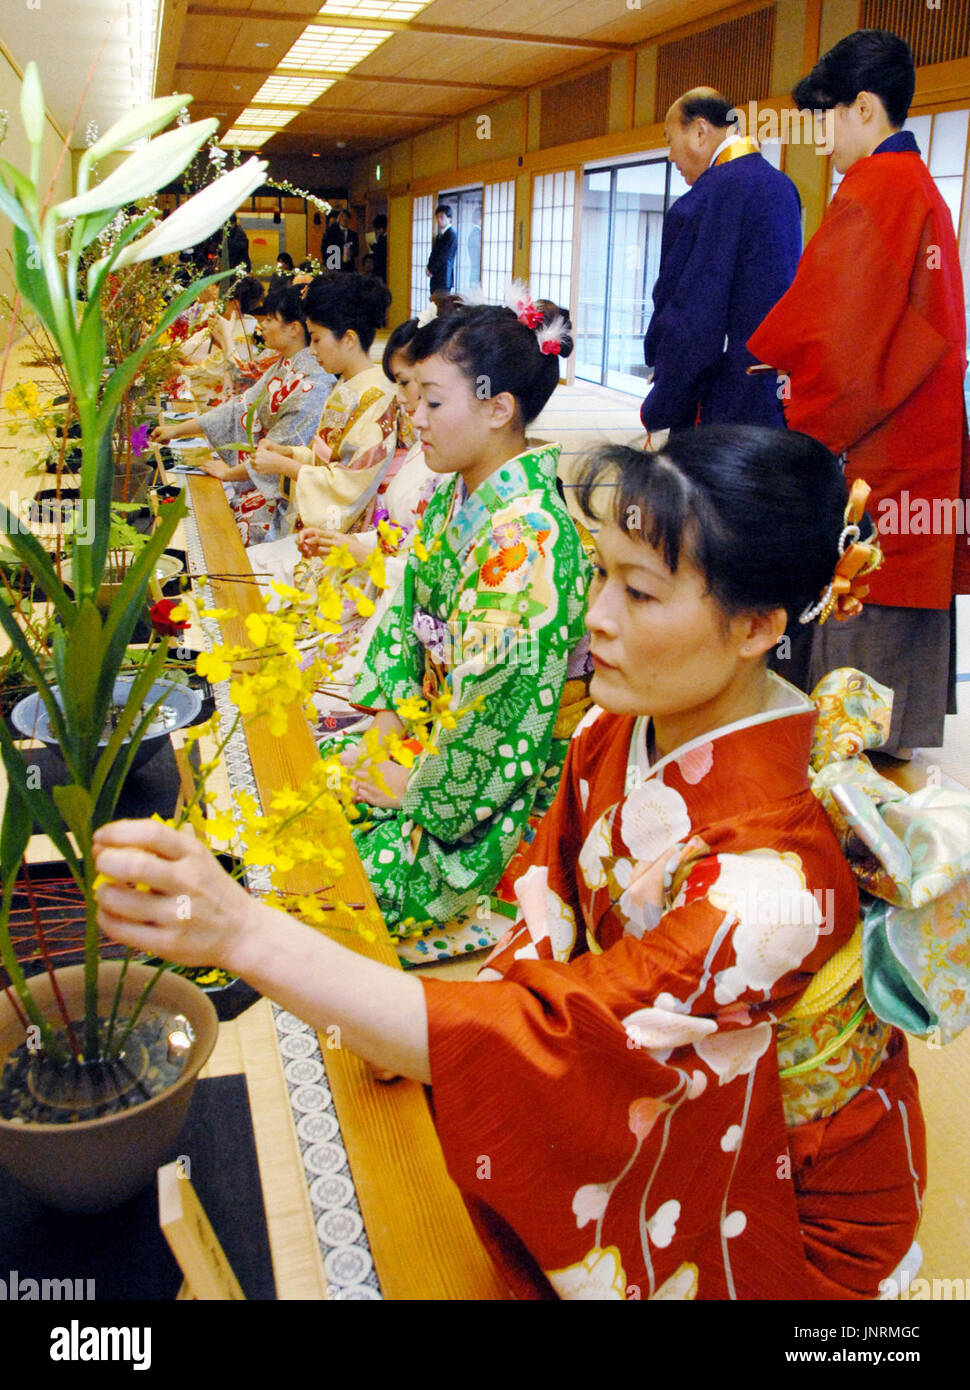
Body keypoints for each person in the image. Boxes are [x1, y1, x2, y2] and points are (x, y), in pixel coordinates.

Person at [94, 425, 926, 1300]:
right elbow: (551, 917)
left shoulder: (773, 880)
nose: (595, 616)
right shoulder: (619, 723)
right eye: (601, 573)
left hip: (778, 1201)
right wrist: (445, 1024)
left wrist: (242, 933)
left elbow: (564, 1039)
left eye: (639, 593)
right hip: (686, 1092)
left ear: (757, 626)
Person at [316, 295, 591, 963]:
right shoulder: (455, 495)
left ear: (499, 408)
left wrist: (410, 785)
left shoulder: (528, 545)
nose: (414, 419)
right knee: (298, 789)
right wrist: (383, 729)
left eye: (433, 403)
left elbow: (500, 713)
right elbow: (409, 624)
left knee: (328, 885)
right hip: (426, 735)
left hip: (497, 790)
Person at [748, 29, 970, 756]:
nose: (822, 138)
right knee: (883, 722)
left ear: (865, 108)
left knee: (849, 699)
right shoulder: (922, 191)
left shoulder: (876, 189)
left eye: (827, 116)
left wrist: (793, 384)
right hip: (919, 454)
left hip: (876, 464)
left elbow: (840, 342)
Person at [641, 89, 802, 441]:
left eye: (671, 140)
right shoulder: (783, 187)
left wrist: (662, 402)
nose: (670, 156)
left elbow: (692, 320)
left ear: (700, 132)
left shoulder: (705, 199)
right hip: (773, 394)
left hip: (717, 402)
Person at [151, 283, 333, 544]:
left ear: (294, 329)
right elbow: (240, 406)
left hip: (283, 499)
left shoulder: (312, 384)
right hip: (258, 473)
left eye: (270, 319)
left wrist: (229, 473)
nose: (263, 325)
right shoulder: (284, 364)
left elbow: (281, 455)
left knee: (221, 531)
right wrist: (177, 430)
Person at [250, 273, 398, 534]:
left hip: (350, 536)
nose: (312, 350)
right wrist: (289, 454)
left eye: (316, 339)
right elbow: (329, 457)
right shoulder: (347, 384)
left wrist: (286, 467)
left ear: (349, 339)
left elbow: (352, 482)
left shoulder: (377, 397)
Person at [426, 204, 457, 293]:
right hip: (436, 276)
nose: (439, 220)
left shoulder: (451, 235)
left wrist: (432, 270)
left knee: (441, 305)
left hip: (444, 276)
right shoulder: (440, 234)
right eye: (437, 217)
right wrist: (428, 267)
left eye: (442, 217)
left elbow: (444, 256)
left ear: (449, 218)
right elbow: (434, 253)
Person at [371, 213, 388, 282]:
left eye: (377, 230)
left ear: (381, 229)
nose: (376, 232)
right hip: (378, 267)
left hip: (383, 268)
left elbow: (382, 252)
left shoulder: (386, 238)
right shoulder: (381, 237)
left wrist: (374, 247)